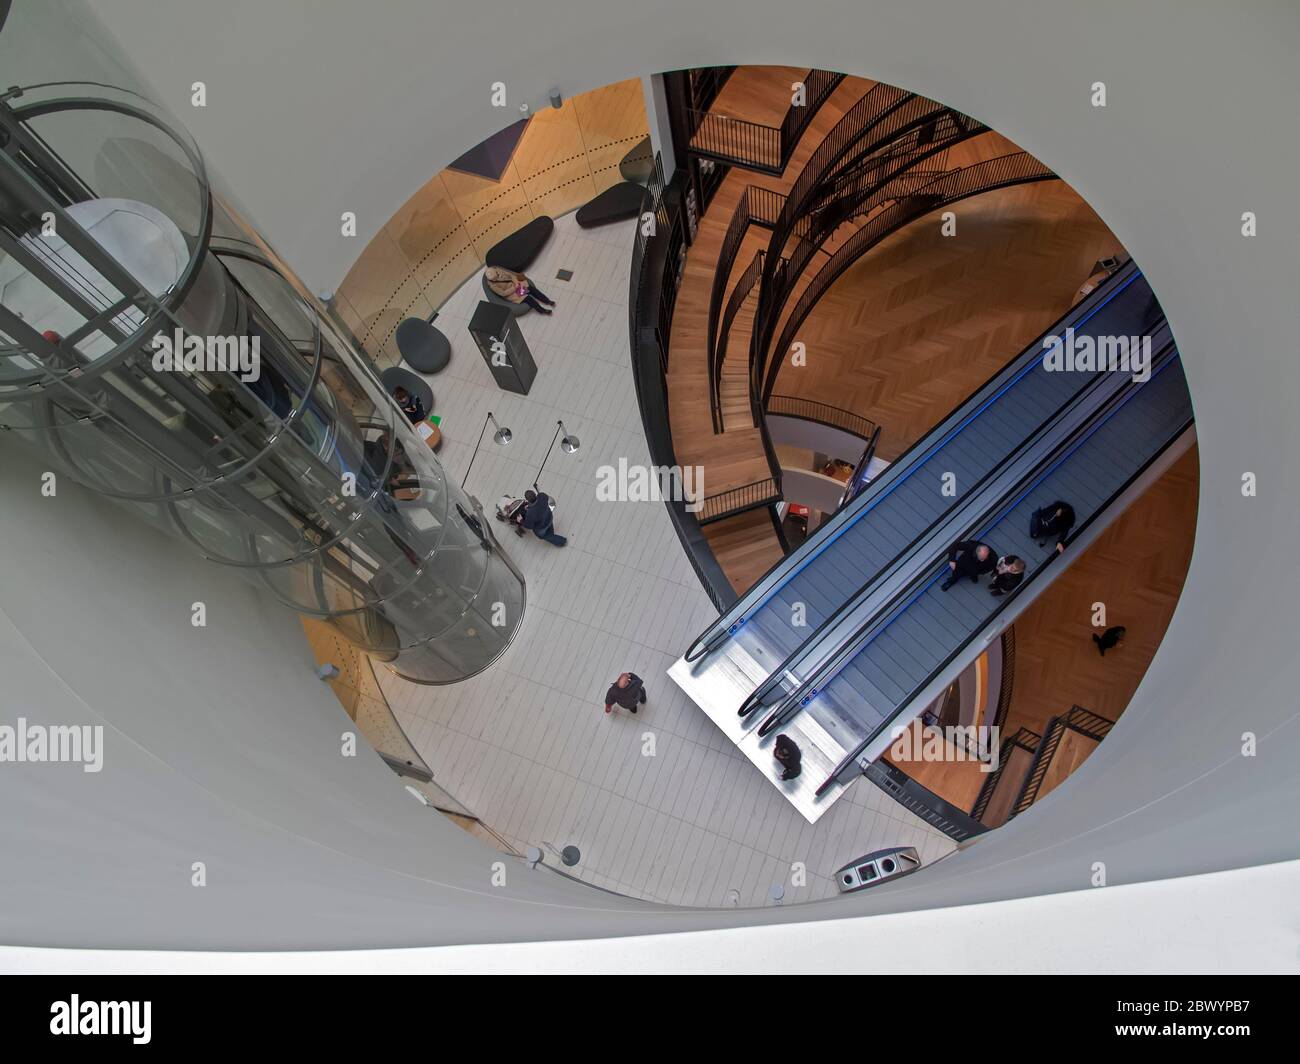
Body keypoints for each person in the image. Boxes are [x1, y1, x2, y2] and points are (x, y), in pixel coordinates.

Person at [485, 266, 557, 315]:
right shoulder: (493, 286)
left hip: (516, 285)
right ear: (493, 279)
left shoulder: (498, 270)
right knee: (529, 299)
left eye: (497, 274)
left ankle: (547, 301)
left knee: (532, 289)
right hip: (512, 293)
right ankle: (542, 310)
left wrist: (516, 282)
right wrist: (515, 288)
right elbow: (504, 293)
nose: (498, 275)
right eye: (496, 276)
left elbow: (511, 275)